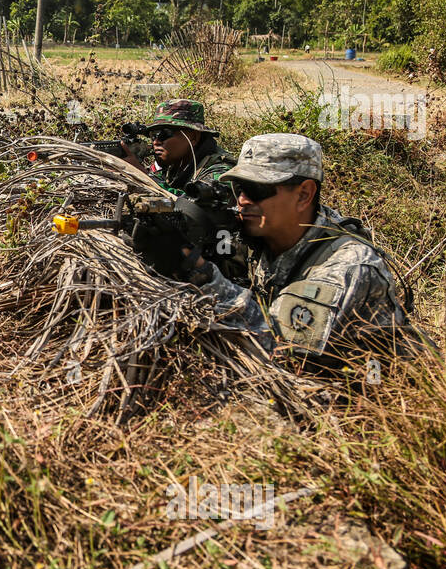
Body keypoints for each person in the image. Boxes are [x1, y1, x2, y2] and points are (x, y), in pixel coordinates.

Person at [127, 133, 414, 373]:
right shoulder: (261, 235)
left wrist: (198, 270)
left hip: (374, 402)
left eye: (256, 189)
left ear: (304, 194)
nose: (242, 200)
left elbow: (282, 354)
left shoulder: (346, 265)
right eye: (238, 187)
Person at [119, 99, 247, 283]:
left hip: (225, 266)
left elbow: (193, 210)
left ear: (193, 137)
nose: (156, 141)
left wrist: (142, 177)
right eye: (153, 135)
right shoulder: (176, 164)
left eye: (164, 134)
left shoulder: (220, 170)